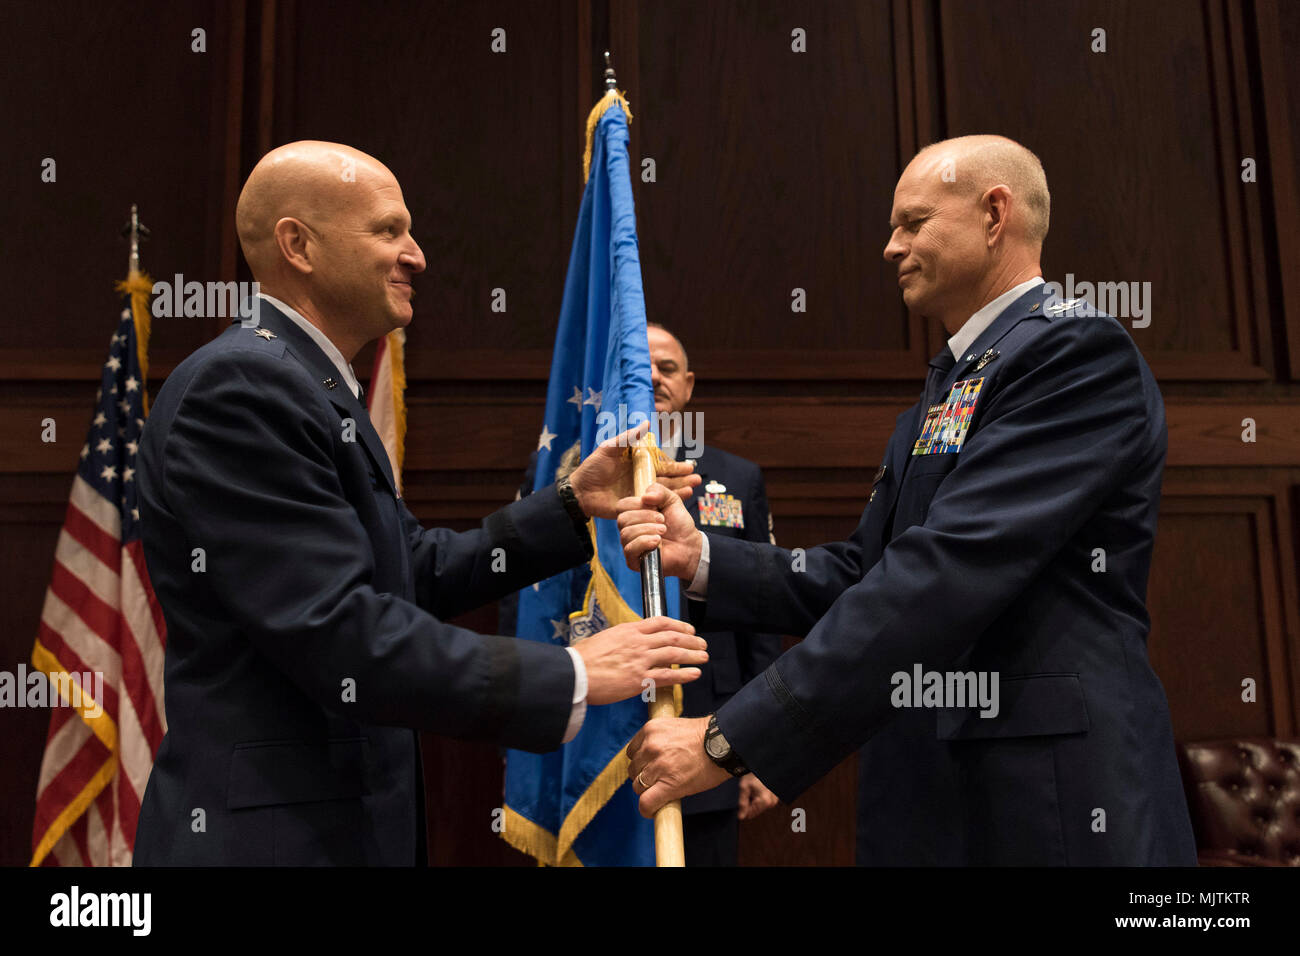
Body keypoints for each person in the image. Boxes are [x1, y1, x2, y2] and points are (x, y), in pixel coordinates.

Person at [619, 135, 1198, 866]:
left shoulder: (1075, 352)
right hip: (936, 792)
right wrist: (703, 557)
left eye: (913, 223)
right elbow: (869, 571)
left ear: (995, 214)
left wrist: (727, 737)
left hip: (1049, 799)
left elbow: (940, 574)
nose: (890, 247)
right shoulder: (950, 382)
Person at [133, 141, 707, 866]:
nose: (418, 256)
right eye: (389, 231)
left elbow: (411, 570)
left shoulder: (304, 380)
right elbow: (337, 628)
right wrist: (574, 674)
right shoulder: (242, 388)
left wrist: (571, 504)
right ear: (298, 245)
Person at [646, 323, 781, 865]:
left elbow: (763, 615)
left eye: (668, 368)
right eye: (639, 368)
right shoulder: (568, 476)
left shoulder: (735, 478)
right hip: (592, 743)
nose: (654, 378)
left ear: (689, 385)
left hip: (712, 734)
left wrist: (759, 747)